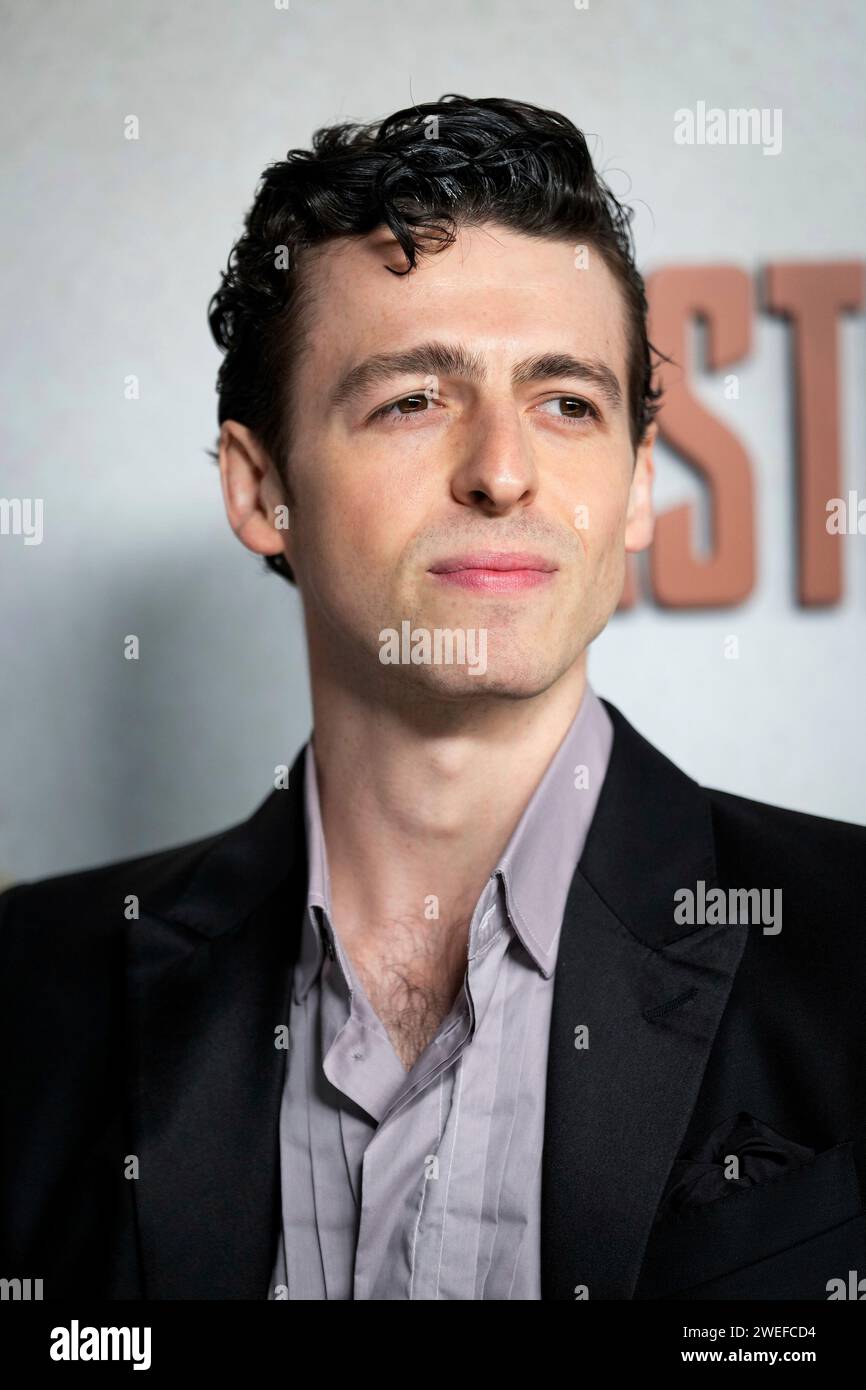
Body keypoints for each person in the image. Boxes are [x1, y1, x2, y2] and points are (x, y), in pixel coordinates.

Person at [2, 95, 864, 1302]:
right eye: (412, 398)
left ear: (632, 492)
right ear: (261, 491)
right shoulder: (25, 996)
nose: (502, 471)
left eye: (567, 402)